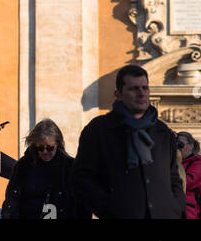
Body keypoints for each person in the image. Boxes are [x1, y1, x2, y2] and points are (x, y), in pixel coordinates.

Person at [71, 65, 185, 219]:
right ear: (118, 94)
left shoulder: (162, 132)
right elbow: (82, 178)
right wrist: (108, 209)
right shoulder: (99, 130)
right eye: (134, 89)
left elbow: (174, 177)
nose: (141, 93)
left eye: (145, 88)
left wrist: (176, 208)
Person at [1, 119, 87, 220]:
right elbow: (12, 199)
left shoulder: (70, 167)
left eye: (50, 148)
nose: (45, 152)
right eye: (41, 148)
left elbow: (81, 204)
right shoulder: (23, 165)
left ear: (57, 144)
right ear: (35, 145)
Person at [176, 132, 201, 220]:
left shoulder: (198, 163)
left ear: (191, 145)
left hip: (189, 210)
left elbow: (185, 183)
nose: (178, 149)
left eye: (180, 145)